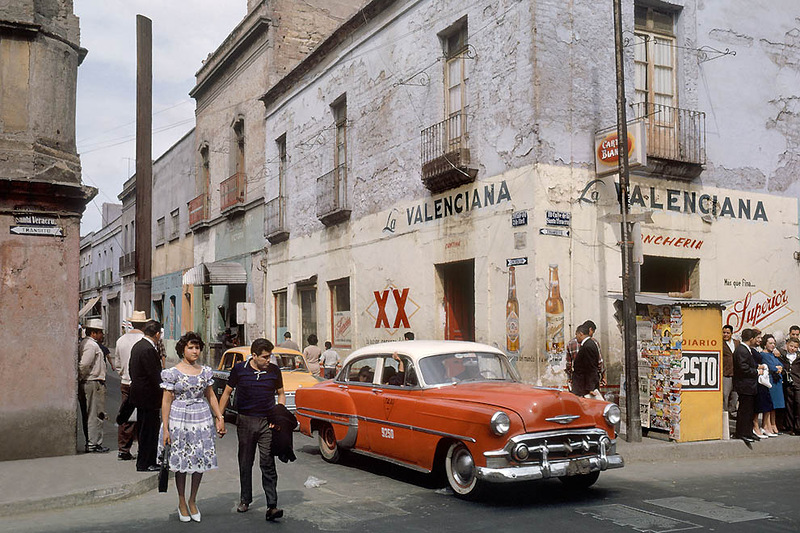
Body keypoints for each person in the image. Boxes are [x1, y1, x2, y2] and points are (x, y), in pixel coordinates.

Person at [159, 332, 226, 523]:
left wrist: (219, 417)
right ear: (183, 349)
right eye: (191, 347)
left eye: (197, 347)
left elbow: (211, 396)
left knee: (199, 460)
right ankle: (181, 501)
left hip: (201, 418)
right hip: (179, 418)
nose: (195, 351)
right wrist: (166, 428)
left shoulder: (205, 371)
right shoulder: (172, 373)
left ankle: (193, 500)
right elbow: (166, 401)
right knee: (181, 461)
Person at [218, 338, 286, 522]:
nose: (268, 360)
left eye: (270, 356)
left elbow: (280, 394)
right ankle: (245, 499)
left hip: (267, 423)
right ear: (254, 356)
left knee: (268, 463)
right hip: (246, 422)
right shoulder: (239, 370)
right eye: (265, 357)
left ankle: (272, 505)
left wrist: (278, 415)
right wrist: (219, 418)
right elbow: (226, 393)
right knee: (245, 462)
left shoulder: (274, 371)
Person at [129, 320, 164, 471]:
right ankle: (147, 462)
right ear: (157, 334)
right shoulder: (149, 349)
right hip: (149, 397)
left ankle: (144, 461)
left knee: (144, 429)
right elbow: (154, 375)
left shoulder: (138, 346)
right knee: (149, 431)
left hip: (140, 394)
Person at [114, 311, 147, 461]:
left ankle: (123, 449)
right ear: (144, 324)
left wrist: (124, 375)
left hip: (126, 382)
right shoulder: (145, 340)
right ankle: (143, 448)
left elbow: (118, 364)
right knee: (143, 416)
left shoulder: (121, 340)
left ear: (131, 324)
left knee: (126, 415)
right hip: (142, 384)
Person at [78, 318, 110, 453]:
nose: (102, 335)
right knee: (94, 414)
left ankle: (92, 442)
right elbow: (84, 365)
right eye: (100, 332)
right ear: (94, 333)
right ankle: (93, 443)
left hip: (91, 381)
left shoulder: (88, 344)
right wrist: (81, 377)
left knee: (91, 414)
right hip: (93, 382)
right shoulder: (91, 345)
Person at [733, 328, 767, 442]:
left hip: (749, 385)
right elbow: (743, 368)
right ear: (751, 339)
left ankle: (748, 432)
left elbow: (747, 364)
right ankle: (741, 432)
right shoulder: (742, 350)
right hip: (745, 385)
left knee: (749, 410)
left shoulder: (746, 349)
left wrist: (757, 367)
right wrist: (757, 371)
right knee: (744, 410)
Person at [759, 334, 784, 436]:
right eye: (770, 343)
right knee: (770, 405)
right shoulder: (763, 355)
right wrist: (777, 368)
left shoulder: (773, 354)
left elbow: (781, 365)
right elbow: (771, 367)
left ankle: (773, 424)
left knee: (775, 406)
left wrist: (779, 368)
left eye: (774, 343)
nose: (773, 345)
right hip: (770, 381)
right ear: (765, 344)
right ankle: (767, 425)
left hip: (777, 381)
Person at [571, 324, 601, 397]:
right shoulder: (587, 345)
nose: (576, 337)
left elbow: (591, 368)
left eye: (576, 335)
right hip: (582, 386)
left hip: (583, 388)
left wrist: (591, 388)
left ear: (581, 334)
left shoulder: (588, 346)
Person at [779, 337, 800, 435]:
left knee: (798, 404)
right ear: (787, 345)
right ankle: (790, 427)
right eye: (791, 346)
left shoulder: (798, 357)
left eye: (795, 347)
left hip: (798, 383)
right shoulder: (783, 356)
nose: (792, 348)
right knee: (789, 405)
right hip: (787, 384)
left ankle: (798, 427)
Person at [722, 325, 740, 417]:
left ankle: (732, 411)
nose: (725, 334)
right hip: (726, 372)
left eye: (727, 333)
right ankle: (725, 413)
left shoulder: (737, 343)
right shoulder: (720, 343)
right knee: (725, 394)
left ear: (731, 334)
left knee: (735, 394)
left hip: (736, 373)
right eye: (724, 332)